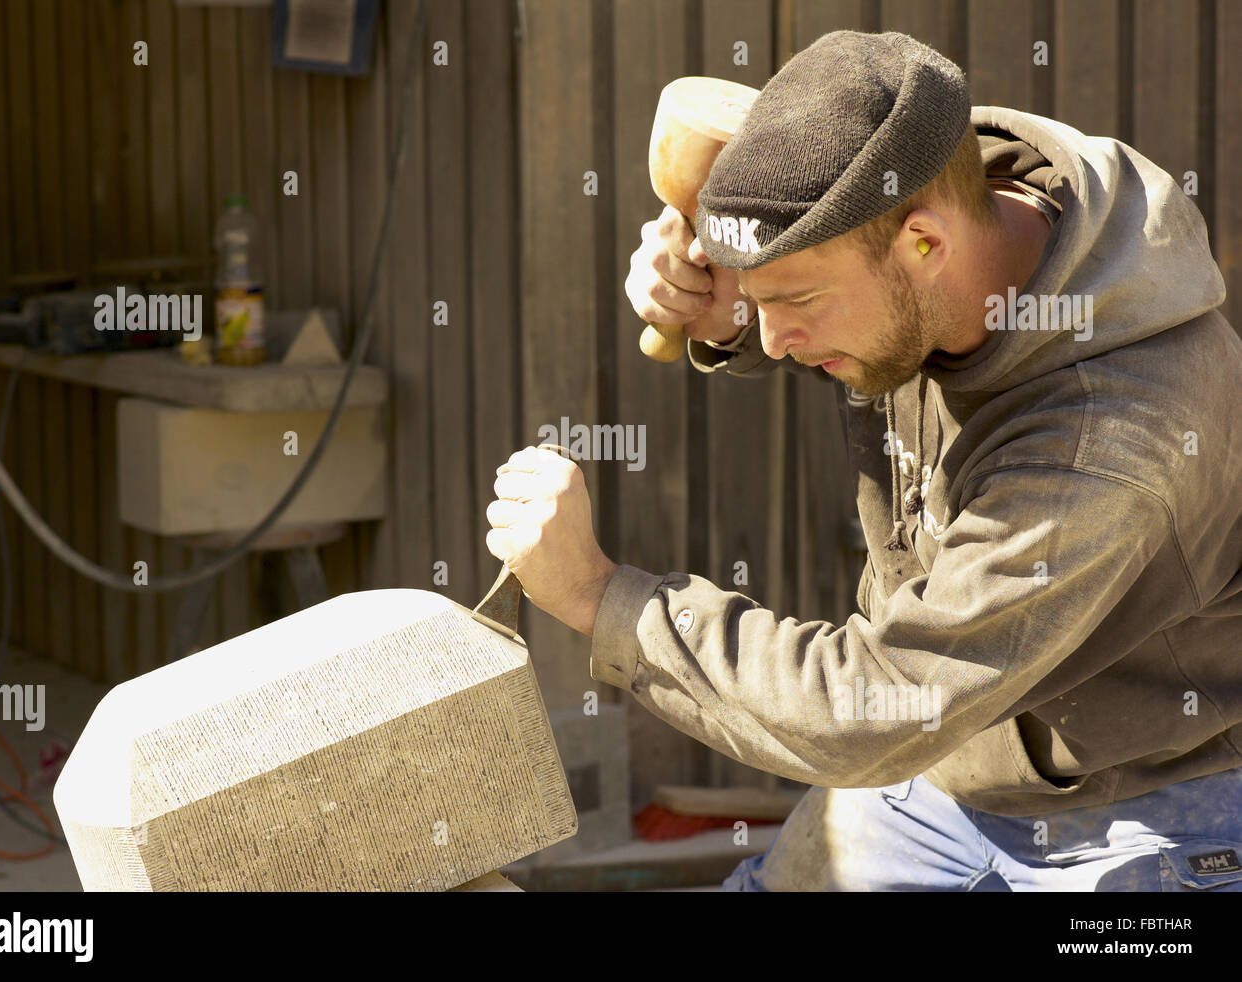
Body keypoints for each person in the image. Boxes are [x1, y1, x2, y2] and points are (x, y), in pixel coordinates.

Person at [485, 30, 1242, 891]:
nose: (773, 341)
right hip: (939, 774)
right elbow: (829, 278)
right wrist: (730, 298)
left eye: (798, 301)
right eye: (765, 307)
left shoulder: (1113, 438)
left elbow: (882, 702)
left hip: (1148, 805)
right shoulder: (965, 218)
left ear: (924, 245)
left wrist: (600, 598)